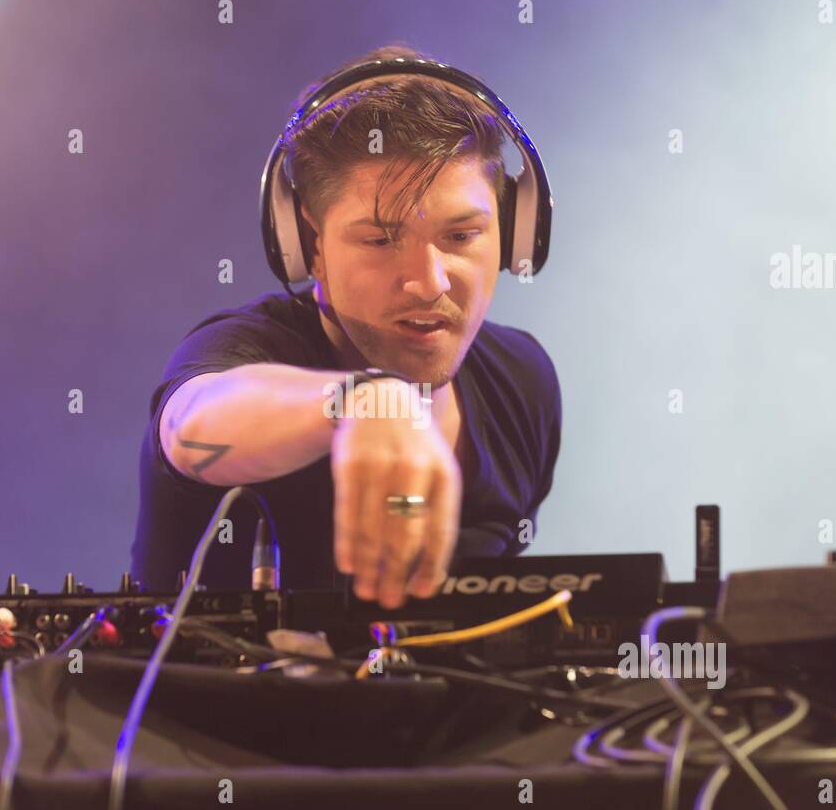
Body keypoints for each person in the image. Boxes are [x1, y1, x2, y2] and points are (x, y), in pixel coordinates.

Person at [130, 43, 561, 609]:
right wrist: (365, 401)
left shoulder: (523, 382)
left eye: (461, 236)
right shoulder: (245, 349)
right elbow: (191, 429)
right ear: (309, 246)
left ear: (514, 230)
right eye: (381, 240)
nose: (428, 283)